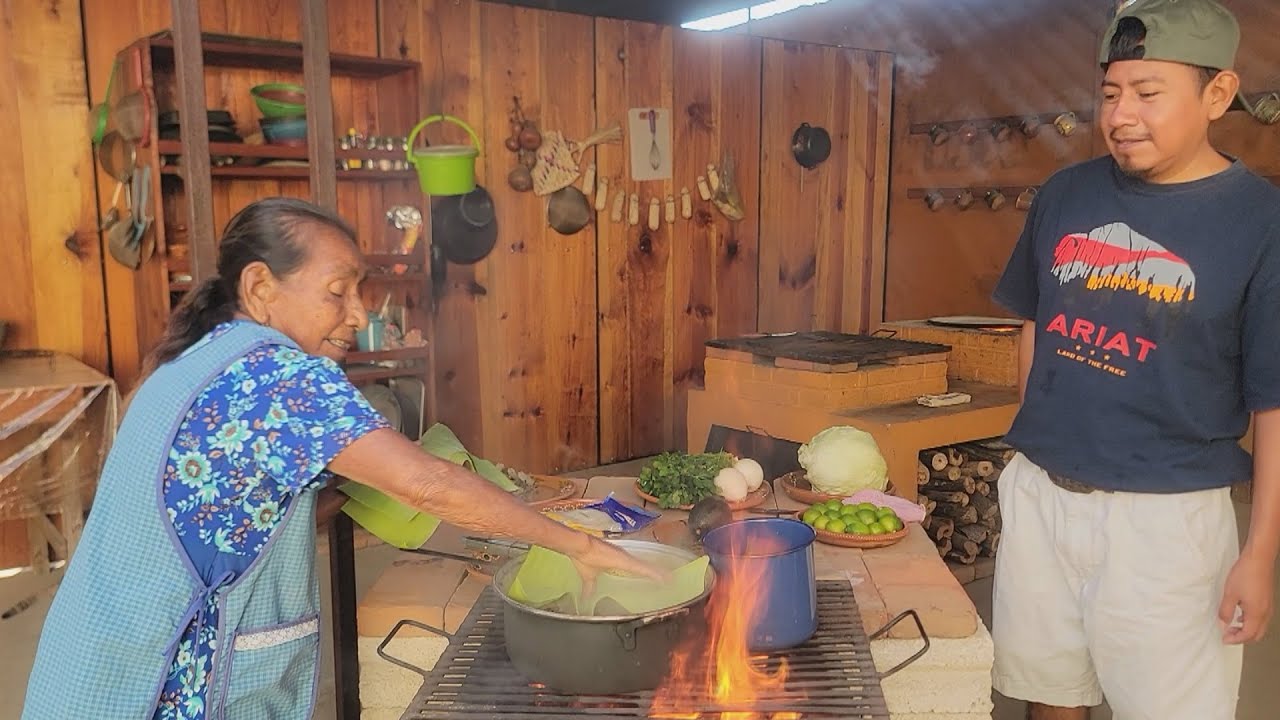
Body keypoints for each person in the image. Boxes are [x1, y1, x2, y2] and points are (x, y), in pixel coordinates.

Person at [21, 197, 664, 720]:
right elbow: (427, 485)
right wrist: (578, 546)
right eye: (338, 292)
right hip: (174, 679)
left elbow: (236, 507)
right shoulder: (279, 376)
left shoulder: (197, 358)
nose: (358, 314)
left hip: (94, 662)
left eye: (360, 291)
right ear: (260, 286)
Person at [988, 1, 1280, 718]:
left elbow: (1273, 404)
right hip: (1043, 499)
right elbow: (1036, 322)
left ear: (1217, 94)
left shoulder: (1259, 223)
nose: (1121, 115)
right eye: (1112, 93)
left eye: (1149, 94)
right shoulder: (1065, 193)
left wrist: (1261, 555)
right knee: (1048, 696)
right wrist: (1029, 447)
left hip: (1166, 524)